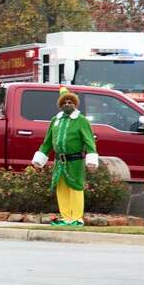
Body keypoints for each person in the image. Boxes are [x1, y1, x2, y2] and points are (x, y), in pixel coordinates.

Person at [32, 87, 99, 226]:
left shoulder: (81, 121)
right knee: (60, 187)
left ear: (75, 104)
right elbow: (48, 141)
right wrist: (40, 157)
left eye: (70, 102)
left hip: (75, 160)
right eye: (65, 102)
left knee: (75, 187)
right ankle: (66, 217)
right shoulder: (55, 120)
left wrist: (91, 158)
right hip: (59, 161)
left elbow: (89, 141)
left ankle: (76, 218)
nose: (67, 104)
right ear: (60, 105)